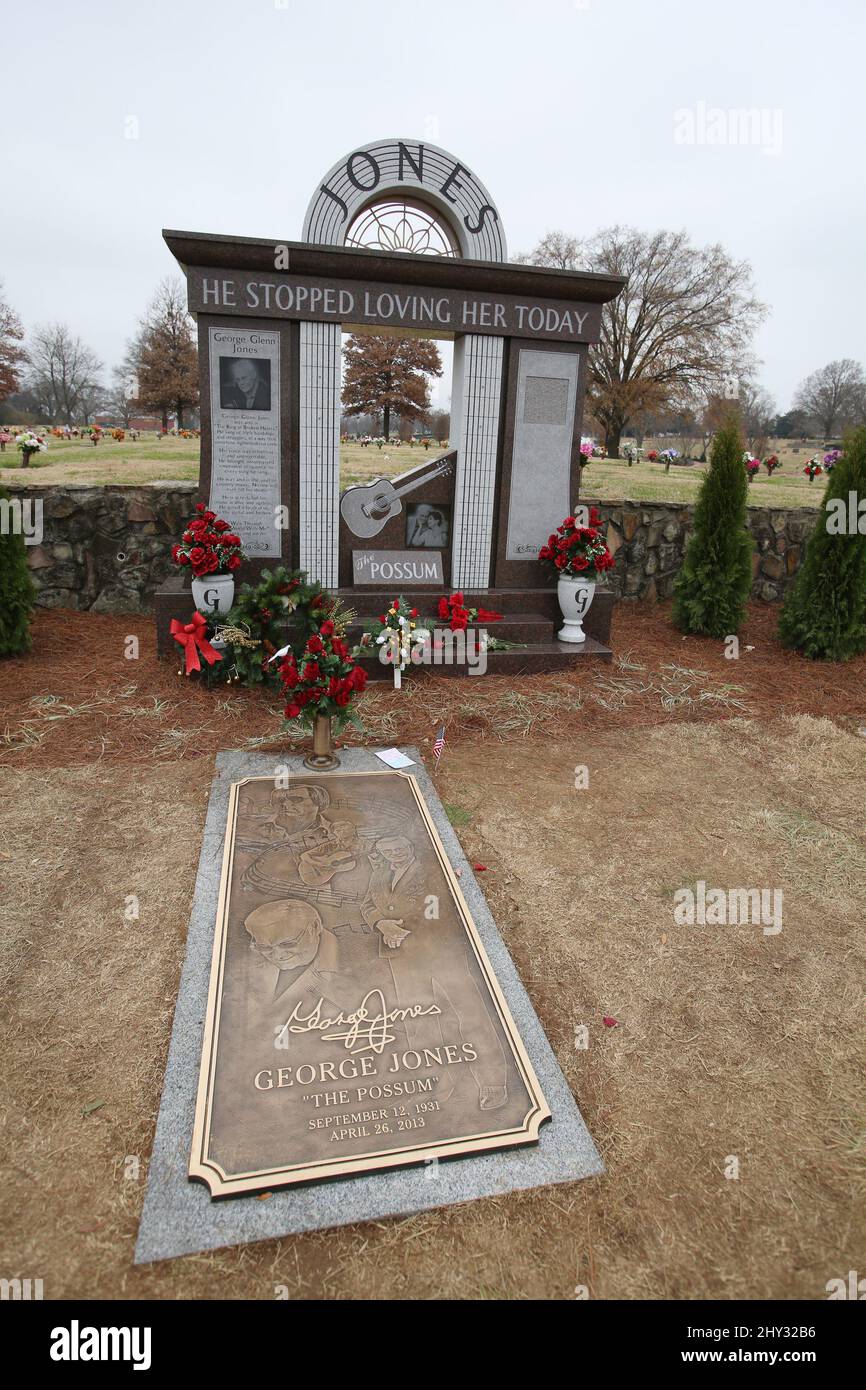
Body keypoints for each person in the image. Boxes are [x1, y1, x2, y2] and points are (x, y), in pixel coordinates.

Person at [361, 835, 509, 1111]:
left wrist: (401, 930)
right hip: (400, 955)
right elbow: (368, 904)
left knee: (469, 1014)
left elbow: (435, 906)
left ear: (411, 845)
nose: (395, 853)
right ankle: (437, 1083)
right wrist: (381, 923)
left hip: (439, 950)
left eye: (399, 847)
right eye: (388, 850)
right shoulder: (380, 873)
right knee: (417, 1019)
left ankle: (492, 1083)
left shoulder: (431, 868)